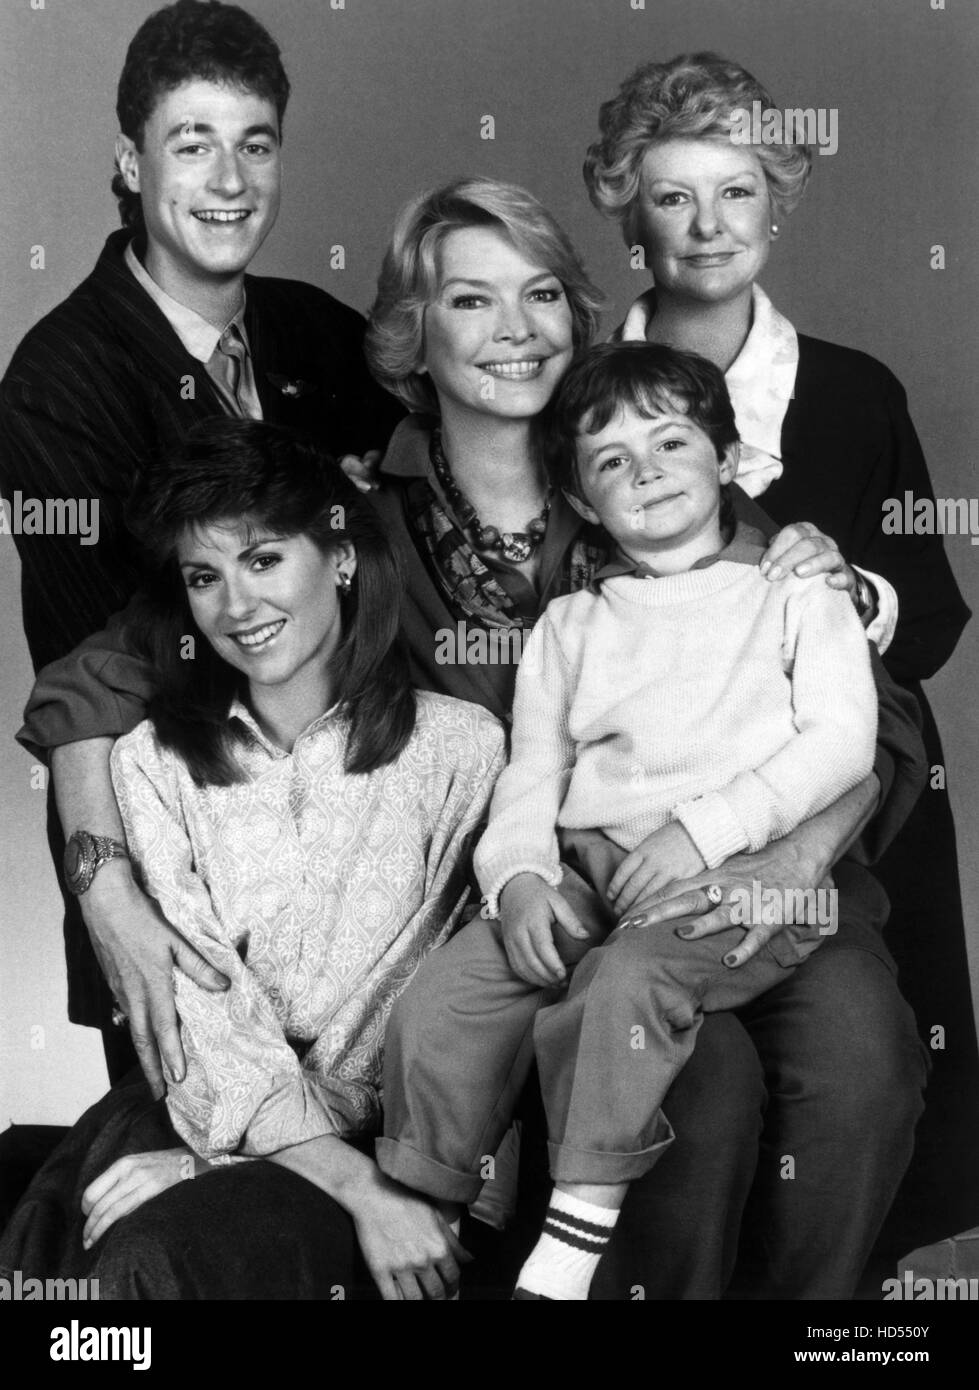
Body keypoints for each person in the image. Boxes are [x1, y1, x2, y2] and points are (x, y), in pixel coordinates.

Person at [19, 177, 927, 1298]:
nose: (515, 329)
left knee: (861, 1070)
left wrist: (786, 857)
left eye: (540, 294)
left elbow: (870, 717)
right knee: (699, 1087)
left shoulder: (641, 474)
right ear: (411, 337)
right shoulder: (357, 522)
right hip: (534, 907)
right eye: (469, 301)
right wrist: (106, 887)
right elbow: (96, 683)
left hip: (757, 872)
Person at [378, 340, 880, 1301]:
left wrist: (704, 831)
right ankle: (430, 1206)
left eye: (671, 444)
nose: (644, 471)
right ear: (580, 497)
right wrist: (518, 877)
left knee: (623, 986)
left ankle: (572, 1240)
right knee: (444, 1000)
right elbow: (534, 768)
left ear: (727, 461)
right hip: (590, 873)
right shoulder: (569, 625)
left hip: (730, 880)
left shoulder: (797, 590)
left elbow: (841, 744)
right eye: (611, 461)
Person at [583, 51, 977, 1263]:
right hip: (638, 828)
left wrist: (848, 590)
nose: (707, 226)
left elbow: (932, 614)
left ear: (777, 203)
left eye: (737, 192)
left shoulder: (853, 395)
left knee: (863, 1082)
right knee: (696, 1102)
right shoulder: (579, 397)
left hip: (835, 813)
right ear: (627, 212)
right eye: (673, 197)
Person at [0, 419, 505, 1300]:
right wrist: (242, 1155)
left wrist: (245, 1160)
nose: (235, 607)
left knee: (149, 1263)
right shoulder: (149, 763)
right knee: (62, 1273)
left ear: (340, 558)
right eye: (204, 577)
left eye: (263, 560)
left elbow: (436, 1005)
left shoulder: (462, 751)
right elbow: (194, 1006)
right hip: (198, 1104)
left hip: (389, 1139)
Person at [0, 0, 402, 1088]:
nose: (229, 180)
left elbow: (439, 509)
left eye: (254, 145)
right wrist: (109, 891)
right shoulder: (56, 382)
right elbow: (103, 668)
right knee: (202, 1172)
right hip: (171, 864)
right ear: (129, 164)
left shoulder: (320, 334)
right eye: (192, 144)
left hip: (359, 854)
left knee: (393, 1170)